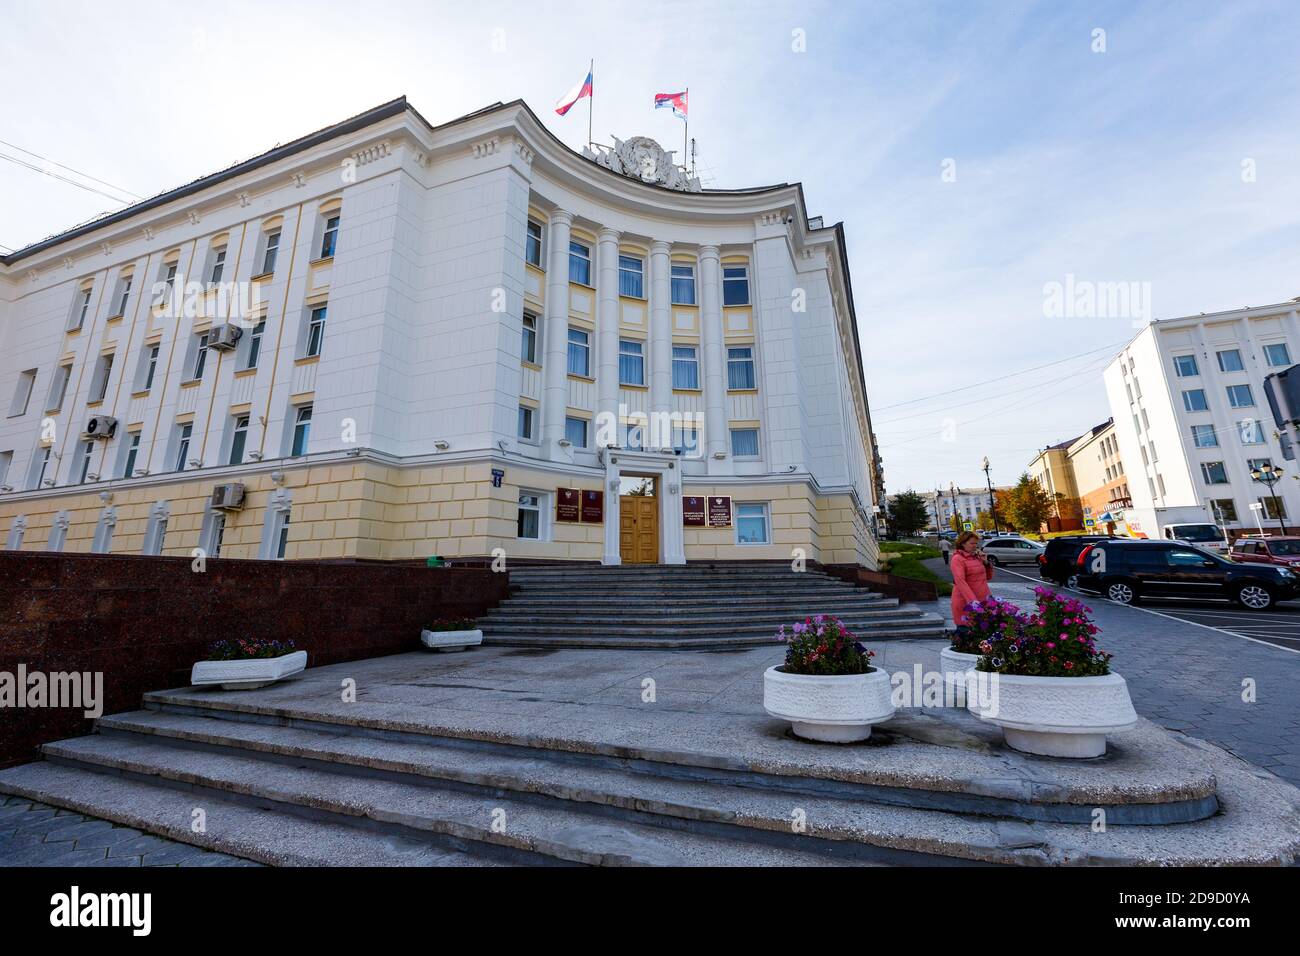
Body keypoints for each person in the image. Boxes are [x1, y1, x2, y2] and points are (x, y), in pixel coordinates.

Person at [950, 530, 993, 635]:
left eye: (976, 543)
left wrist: (986, 562)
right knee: (966, 635)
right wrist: (973, 602)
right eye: (972, 543)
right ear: (963, 543)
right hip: (966, 602)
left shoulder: (977, 557)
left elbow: (988, 577)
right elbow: (960, 582)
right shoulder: (957, 559)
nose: (975, 546)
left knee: (983, 636)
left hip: (983, 600)